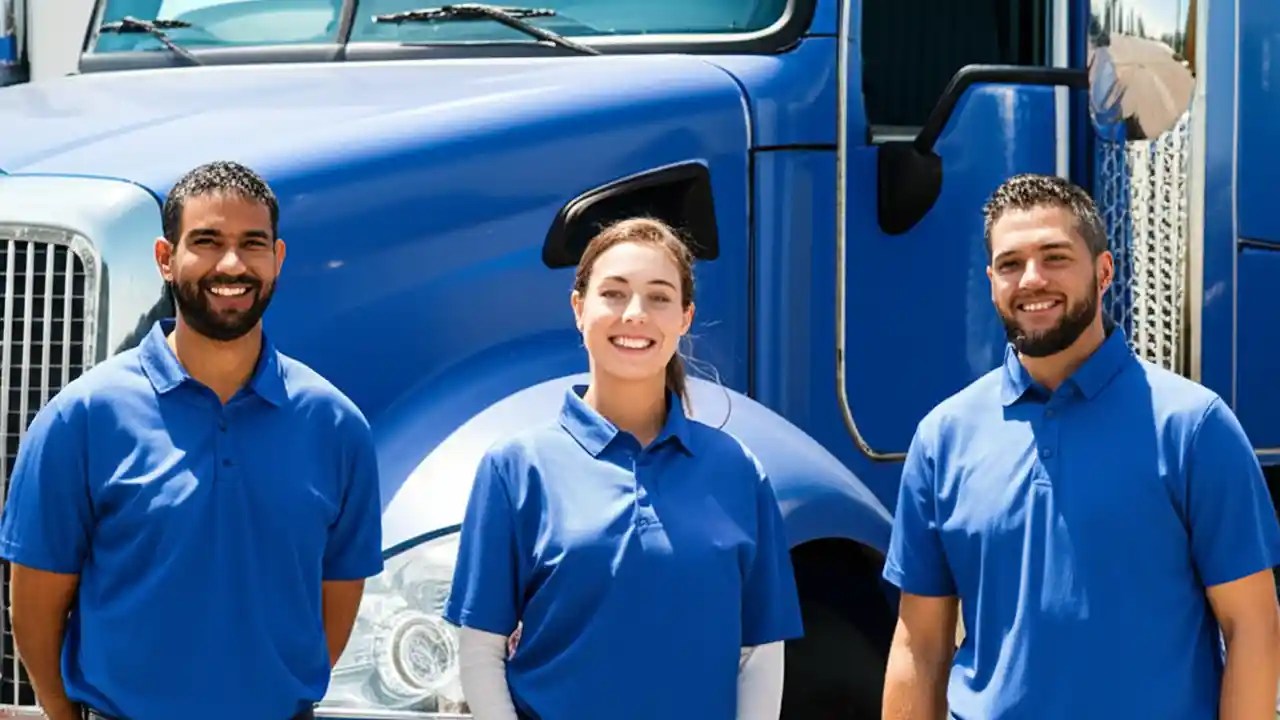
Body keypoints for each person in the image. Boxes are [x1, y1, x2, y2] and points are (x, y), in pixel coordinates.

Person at [880, 173, 1280, 719]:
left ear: (1104, 270)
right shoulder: (942, 438)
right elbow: (918, 645)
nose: (1032, 279)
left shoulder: (1194, 426)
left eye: (1055, 256)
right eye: (1010, 263)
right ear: (992, 280)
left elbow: (1252, 625)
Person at [0, 161, 384, 720]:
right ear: (165, 259)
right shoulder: (79, 418)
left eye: (252, 244)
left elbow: (336, 602)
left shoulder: (336, 426)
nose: (232, 264)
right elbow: (35, 604)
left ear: (276, 260)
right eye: (206, 242)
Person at [443, 217, 805, 720]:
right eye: (613, 293)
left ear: (685, 317)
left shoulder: (738, 471)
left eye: (659, 297)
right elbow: (481, 649)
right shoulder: (516, 469)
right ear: (578, 308)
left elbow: (759, 654)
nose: (635, 314)